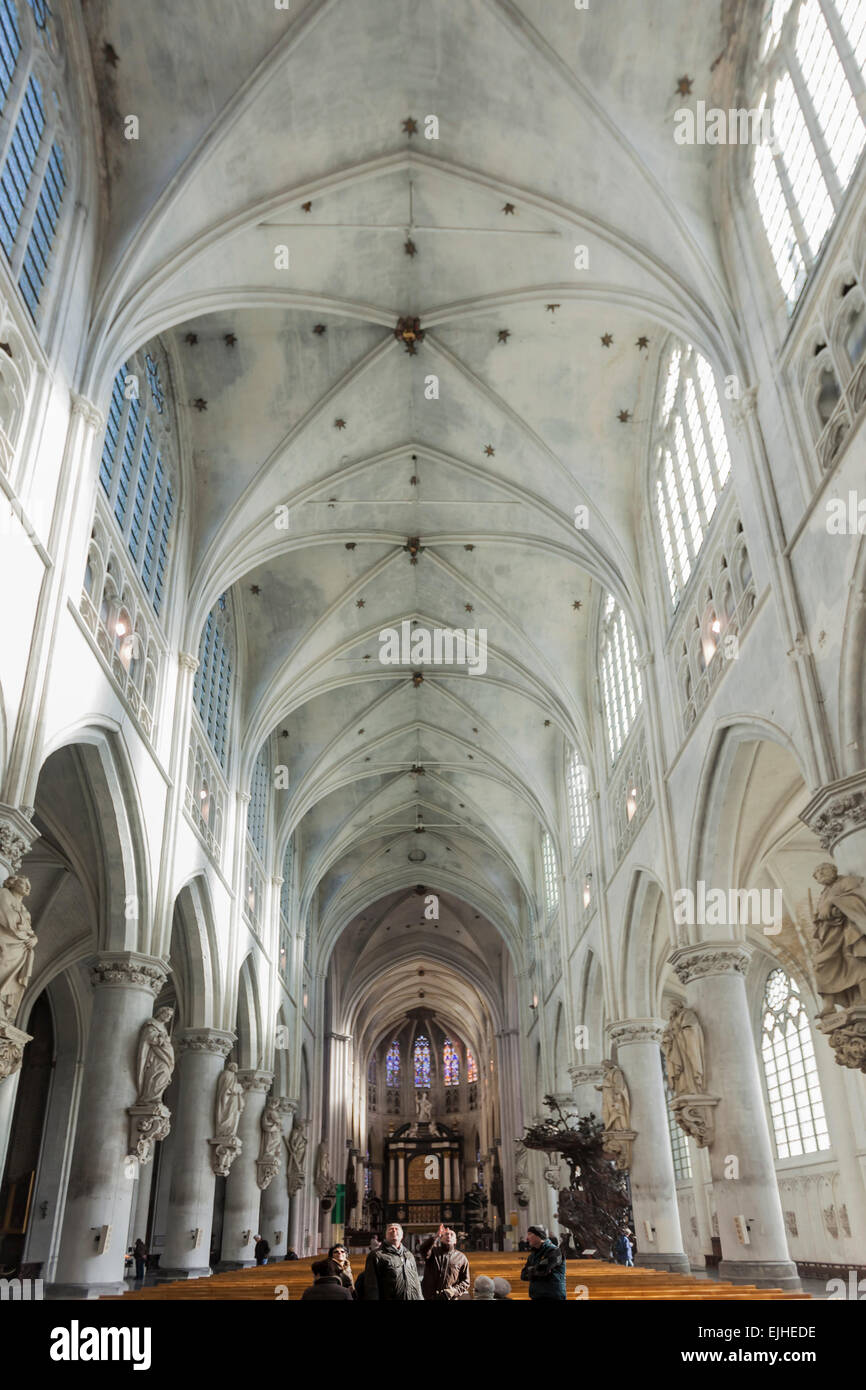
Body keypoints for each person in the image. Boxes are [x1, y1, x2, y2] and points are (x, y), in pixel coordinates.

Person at [362, 1221, 423, 1300]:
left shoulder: (409, 1255)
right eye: (391, 1229)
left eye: (396, 1229)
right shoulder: (377, 1255)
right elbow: (371, 1286)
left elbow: (416, 1282)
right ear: (386, 1235)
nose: (394, 1230)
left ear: (402, 1235)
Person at [417, 1224, 470, 1301]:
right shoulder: (432, 1252)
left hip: (449, 1297)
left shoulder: (461, 1258)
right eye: (446, 1234)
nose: (448, 1236)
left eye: (451, 1235)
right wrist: (436, 1236)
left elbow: (466, 1281)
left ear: (455, 1241)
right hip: (429, 1296)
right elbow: (423, 1249)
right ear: (441, 1239)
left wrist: (454, 1291)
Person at [520, 1224, 566, 1300]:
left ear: (539, 1235)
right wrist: (536, 1270)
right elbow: (523, 1275)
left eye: (530, 1234)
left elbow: (542, 1269)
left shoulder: (555, 1251)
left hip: (553, 1295)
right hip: (536, 1295)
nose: (527, 1238)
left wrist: (532, 1270)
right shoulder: (532, 1255)